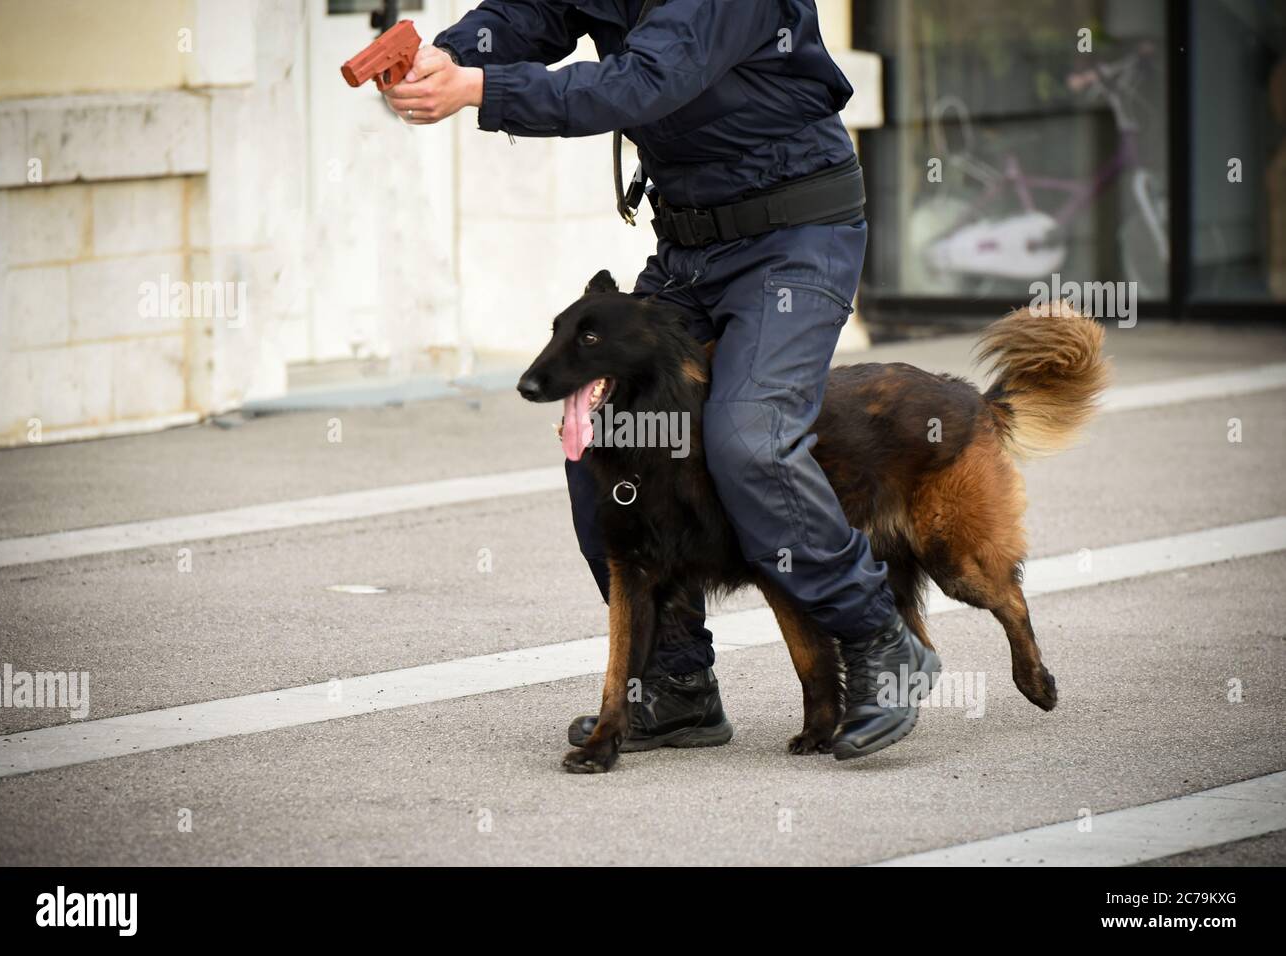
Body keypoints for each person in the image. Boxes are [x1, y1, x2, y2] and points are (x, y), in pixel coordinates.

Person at [382, 0, 940, 759]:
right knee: (603, 440)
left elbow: (642, 81)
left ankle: (879, 636)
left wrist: (480, 89)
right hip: (687, 246)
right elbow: (528, 14)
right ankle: (675, 687)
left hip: (796, 240)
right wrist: (443, 58)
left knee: (748, 440)